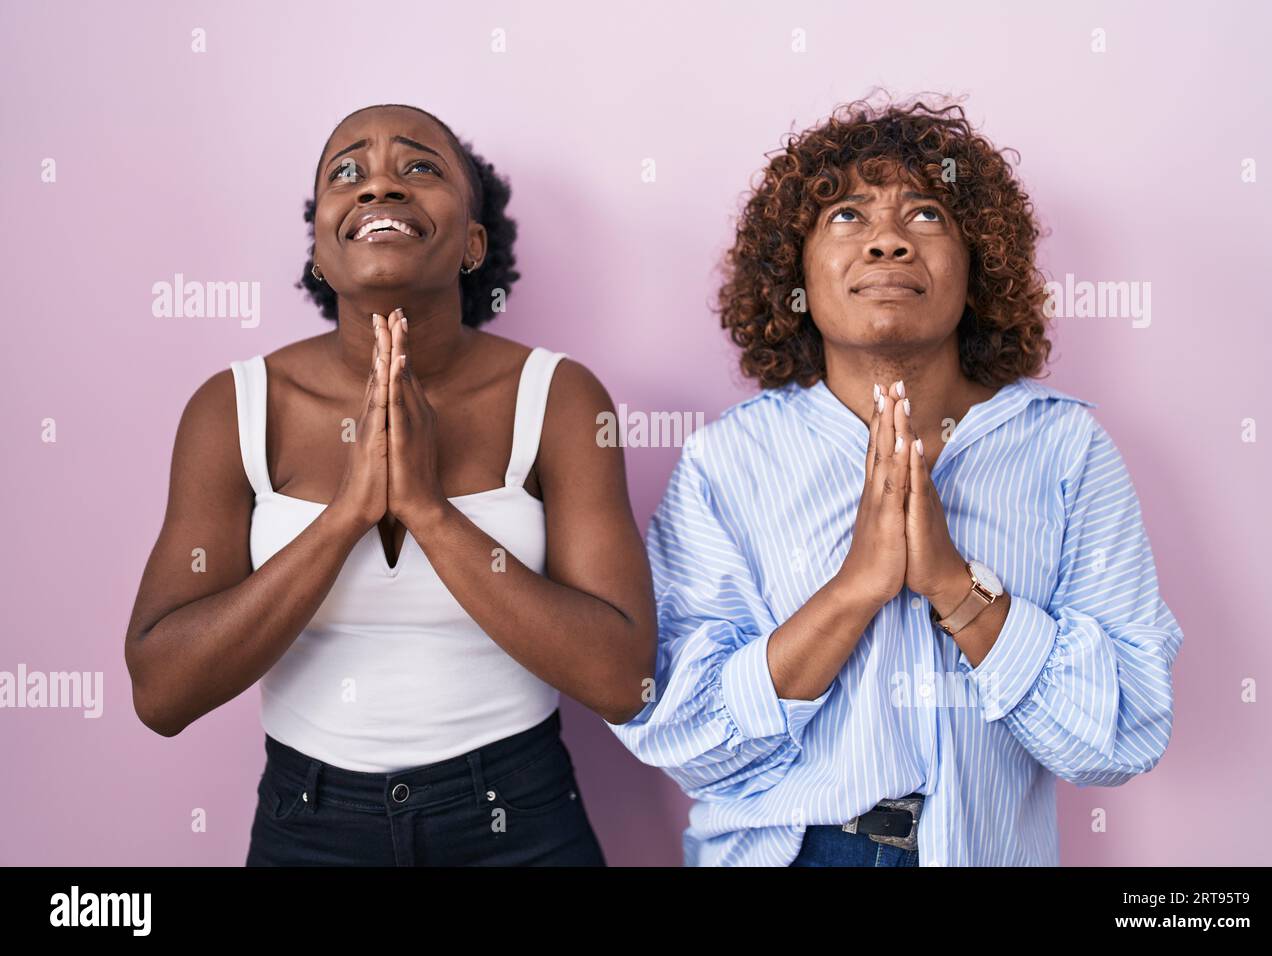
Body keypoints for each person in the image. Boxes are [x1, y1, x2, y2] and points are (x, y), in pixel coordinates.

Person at [607, 94, 1184, 866]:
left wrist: (953, 584)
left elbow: (1120, 732)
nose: (887, 242)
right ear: (795, 272)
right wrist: (855, 590)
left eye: (925, 215)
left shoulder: (1065, 449)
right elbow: (687, 736)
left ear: (979, 267)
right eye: (846, 216)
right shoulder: (726, 462)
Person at [124, 103, 656, 866]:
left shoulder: (562, 398)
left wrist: (427, 511)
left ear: (473, 242)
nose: (379, 187)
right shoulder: (232, 408)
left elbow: (619, 678)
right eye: (347, 173)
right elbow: (161, 692)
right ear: (320, 246)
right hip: (307, 826)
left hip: (519, 819)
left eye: (420, 168)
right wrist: (345, 515)